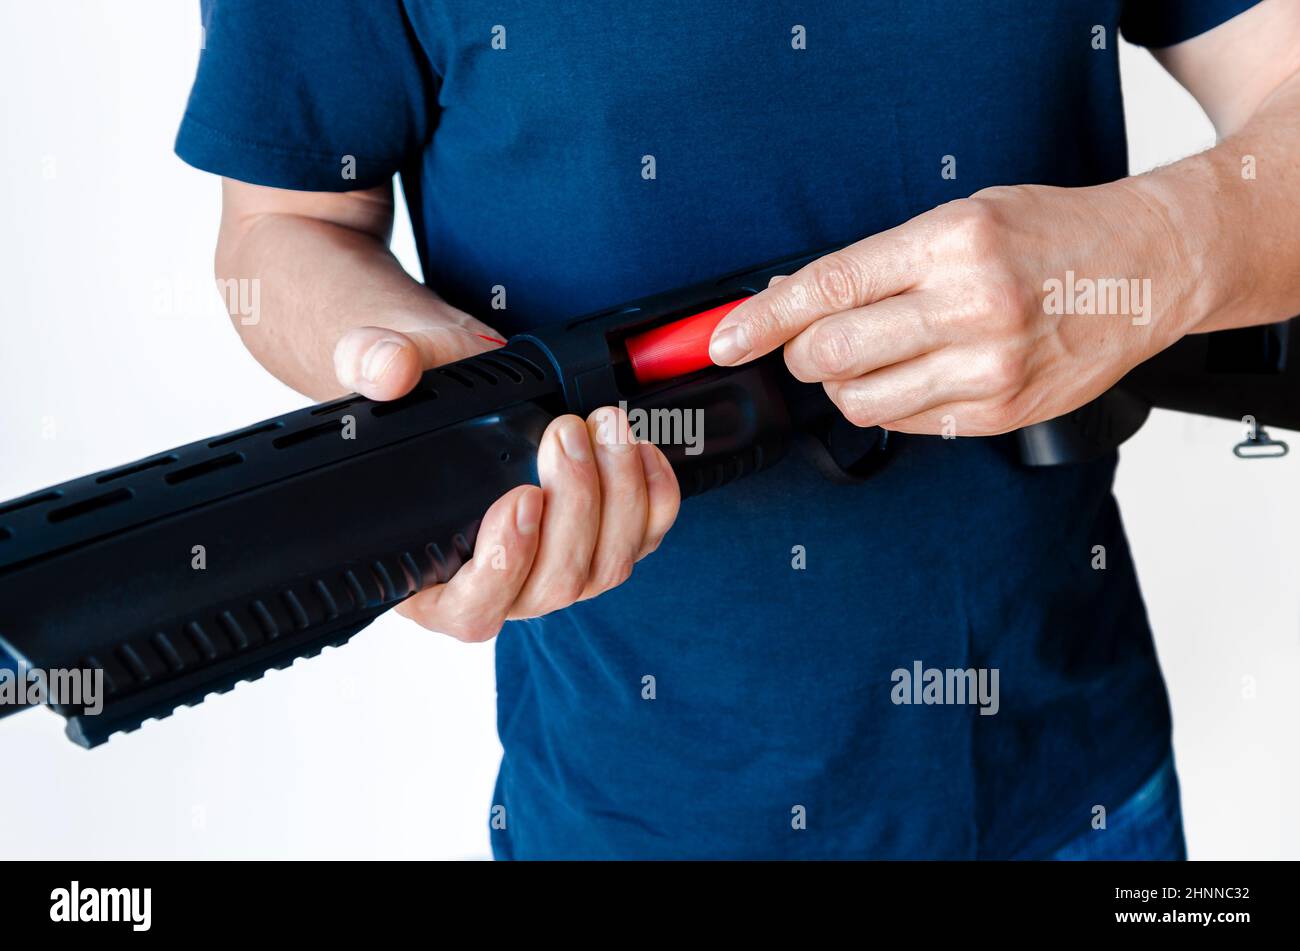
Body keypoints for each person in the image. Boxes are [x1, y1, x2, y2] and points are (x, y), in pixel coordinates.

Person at [178, 0, 1300, 859]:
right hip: (622, 812)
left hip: (1075, 794)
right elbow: (284, 222)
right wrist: (414, 389)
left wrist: (1155, 250)